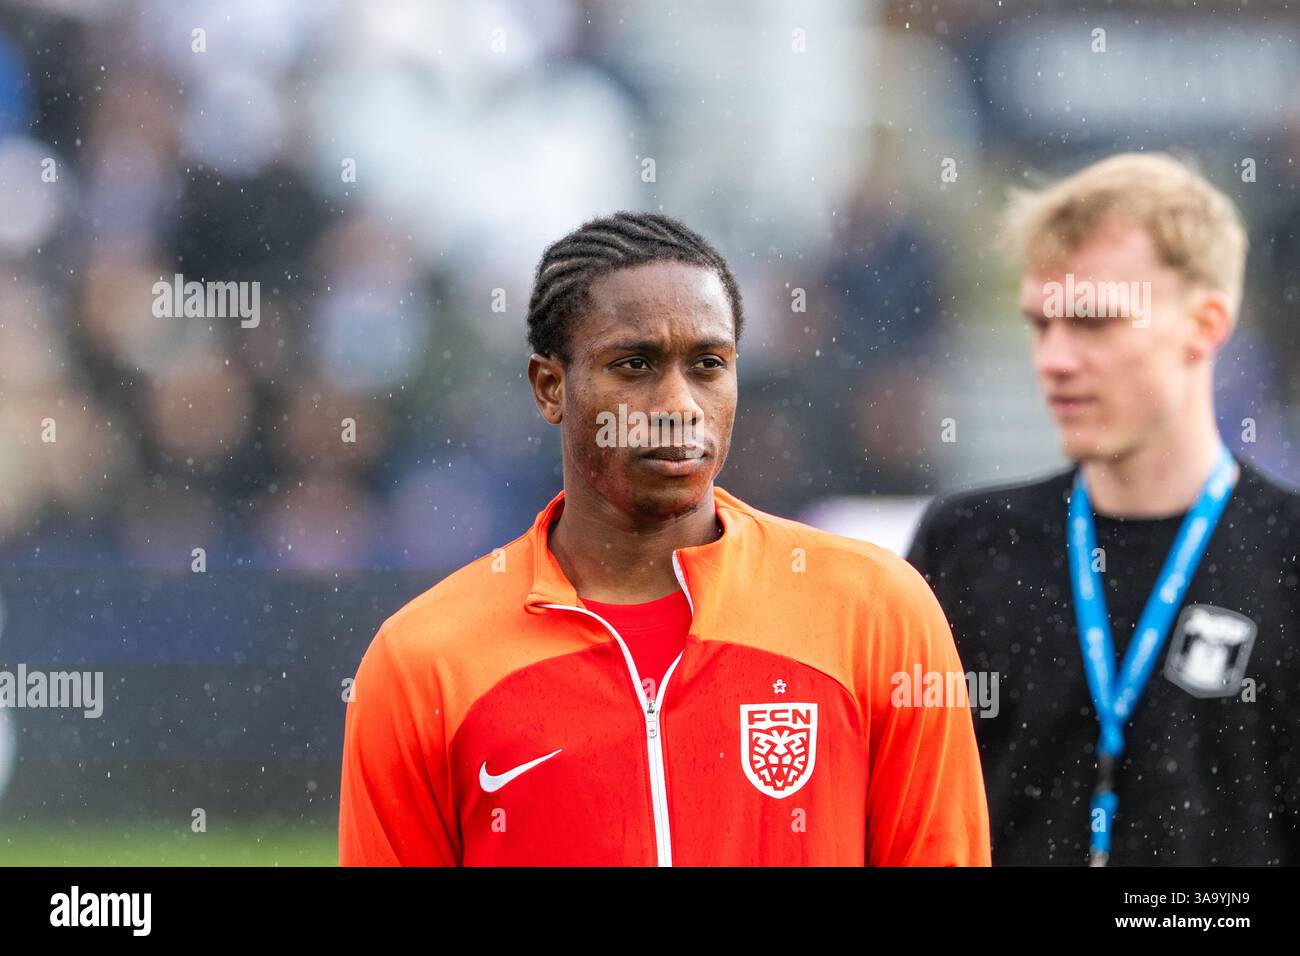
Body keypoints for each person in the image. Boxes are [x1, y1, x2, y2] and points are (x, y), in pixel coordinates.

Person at [339, 211, 990, 866]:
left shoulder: (876, 610)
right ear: (549, 387)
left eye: (708, 364)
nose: (679, 403)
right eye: (635, 364)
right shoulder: (421, 663)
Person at [907, 153, 1300, 865]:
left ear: (1204, 325)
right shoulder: (967, 543)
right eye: (1040, 323)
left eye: (1092, 322)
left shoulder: (1288, 556)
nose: (1053, 358)